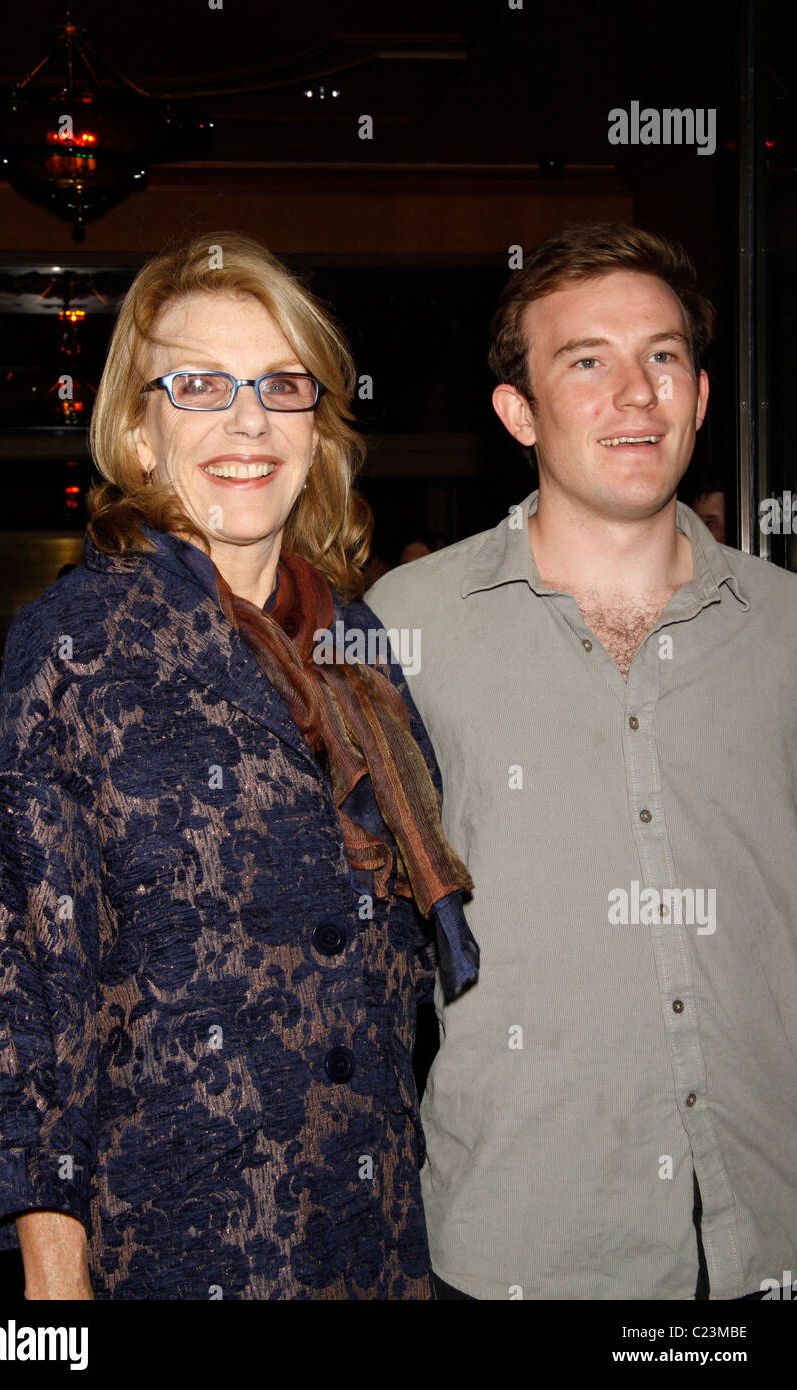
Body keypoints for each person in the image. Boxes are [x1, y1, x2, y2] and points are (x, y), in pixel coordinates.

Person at [0, 231, 478, 1301]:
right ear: (139, 434)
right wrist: (57, 1295)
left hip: (370, 1235)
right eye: (197, 384)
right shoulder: (78, 641)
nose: (246, 421)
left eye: (280, 386)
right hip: (180, 1243)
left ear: (316, 426)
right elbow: (14, 989)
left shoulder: (358, 646)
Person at [366, 222, 797, 1300]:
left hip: (772, 1226)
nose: (633, 394)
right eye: (585, 363)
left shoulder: (787, 628)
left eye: (661, 357)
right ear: (517, 411)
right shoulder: (407, 627)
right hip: (527, 1237)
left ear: (699, 396)